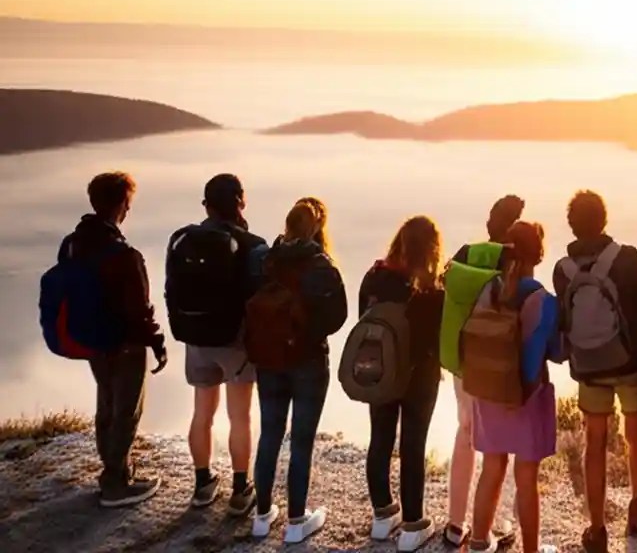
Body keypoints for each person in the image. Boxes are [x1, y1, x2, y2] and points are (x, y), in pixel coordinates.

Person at [55, 172, 167, 507]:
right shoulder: (123, 253)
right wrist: (158, 344)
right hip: (126, 344)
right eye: (127, 203)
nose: (128, 210)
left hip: (91, 340)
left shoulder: (72, 244)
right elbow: (140, 309)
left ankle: (113, 470)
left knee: (106, 402)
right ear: (120, 204)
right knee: (127, 410)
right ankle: (116, 483)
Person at [551, 190, 637, 553]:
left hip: (588, 366)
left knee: (594, 442)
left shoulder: (562, 269)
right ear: (604, 219)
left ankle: (596, 528)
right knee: (635, 436)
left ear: (572, 225)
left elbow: (564, 319)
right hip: (628, 362)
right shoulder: (626, 257)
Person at [164, 173, 267, 514]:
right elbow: (258, 297)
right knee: (240, 416)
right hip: (235, 341)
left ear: (206, 204)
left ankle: (202, 483)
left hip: (195, 337)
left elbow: (171, 289)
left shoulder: (181, 240)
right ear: (241, 201)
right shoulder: (253, 245)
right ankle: (241, 490)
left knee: (202, 413)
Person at [250, 197, 348, 543]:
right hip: (307, 361)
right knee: (301, 442)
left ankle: (261, 516)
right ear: (318, 228)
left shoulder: (264, 260)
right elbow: (338, 318)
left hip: (268, 360)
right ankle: (295, 522)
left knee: (270, 434)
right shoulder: (322, 266)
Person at [466, 221, 562, 553]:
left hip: (488, 390)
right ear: (539, 253)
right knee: (526, 478)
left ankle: (478, 542)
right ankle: (531, 551)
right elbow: (557, 351)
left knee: (492, 467)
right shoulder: (542, 300)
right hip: (525, 395)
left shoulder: (489, 289)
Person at [357, 216, 446, 552]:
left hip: (379, 371)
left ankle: (382, 515)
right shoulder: (430, 290)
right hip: (419, 377)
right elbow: (436, 341)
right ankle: (412, 525)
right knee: (413, 444)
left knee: (379, 437)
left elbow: (361, 323)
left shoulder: (374, 276)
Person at [442, 194, 525, 550]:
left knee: (466, 430)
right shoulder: (514, 262)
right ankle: (491, 527)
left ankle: (455, 523)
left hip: (460, 358)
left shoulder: (464, 254)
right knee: (497, 445)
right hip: (495, 364)